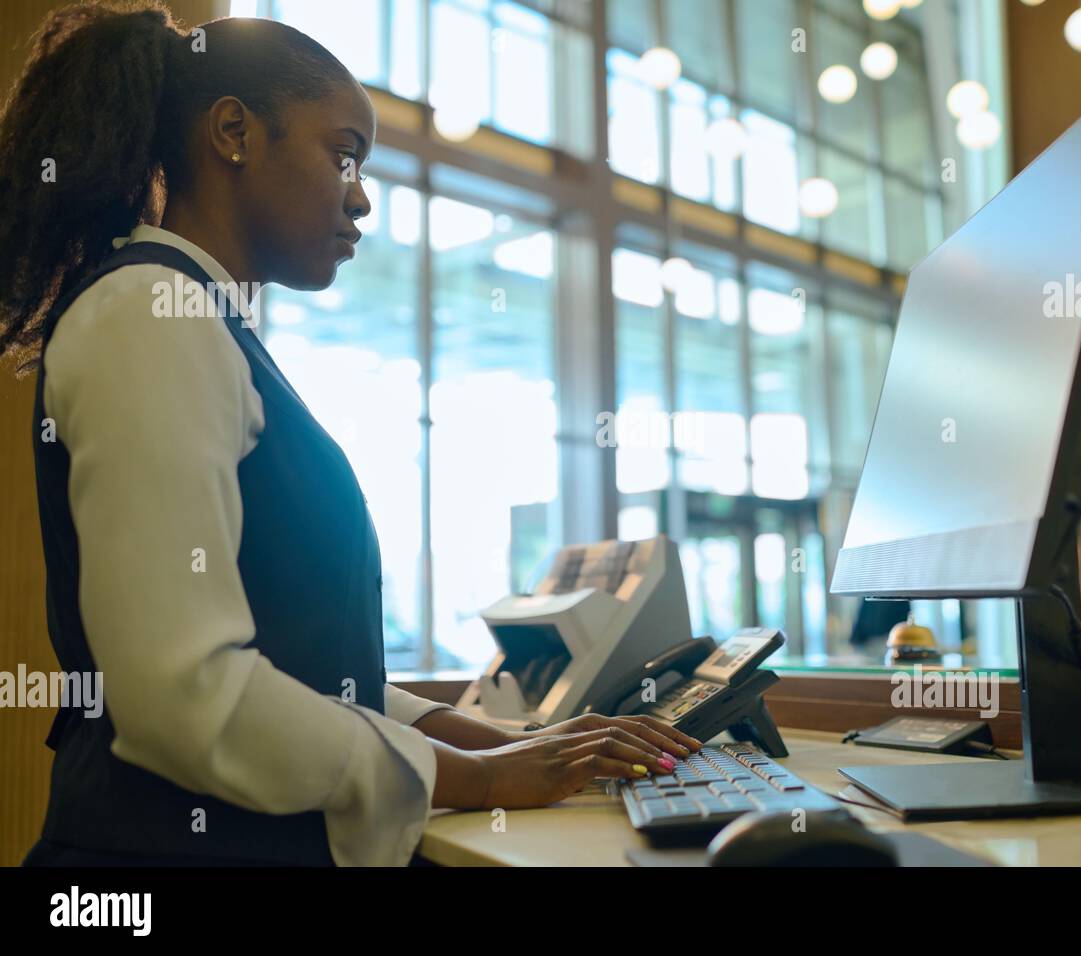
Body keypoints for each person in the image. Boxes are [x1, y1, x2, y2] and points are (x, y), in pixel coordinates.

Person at [0, 2, 699, 867]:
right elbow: (185, 693)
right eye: (344, 154)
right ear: (233, 132)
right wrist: (480, 780)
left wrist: (482, 740)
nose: (361, 196)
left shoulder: (199, 317)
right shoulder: (152, 310)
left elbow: (294, 656)